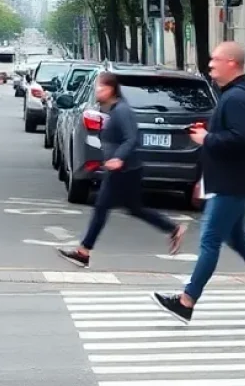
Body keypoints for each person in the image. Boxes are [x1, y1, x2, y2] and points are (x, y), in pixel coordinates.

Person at [152, 41, 245, 325]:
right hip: (233, 181)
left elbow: (238, 140)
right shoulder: (237, 97)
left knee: (209, 241)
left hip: (233, 183)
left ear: (232, 63)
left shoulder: (236, 99)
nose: (210, 65)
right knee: (238, 239)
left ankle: (187, 301)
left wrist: (206, 138)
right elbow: (234, 138)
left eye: (215, 60)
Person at [58, 71, 185, 267]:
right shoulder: (113, 109)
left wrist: (118, 157)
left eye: (100, 88)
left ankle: (84, 251)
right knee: (134, 208)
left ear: (110, 89)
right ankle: (173, 228)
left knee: (103, 208)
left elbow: (131, 138)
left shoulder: (122, 111)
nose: (97, 92)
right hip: (124, 169)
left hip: (125, 170)